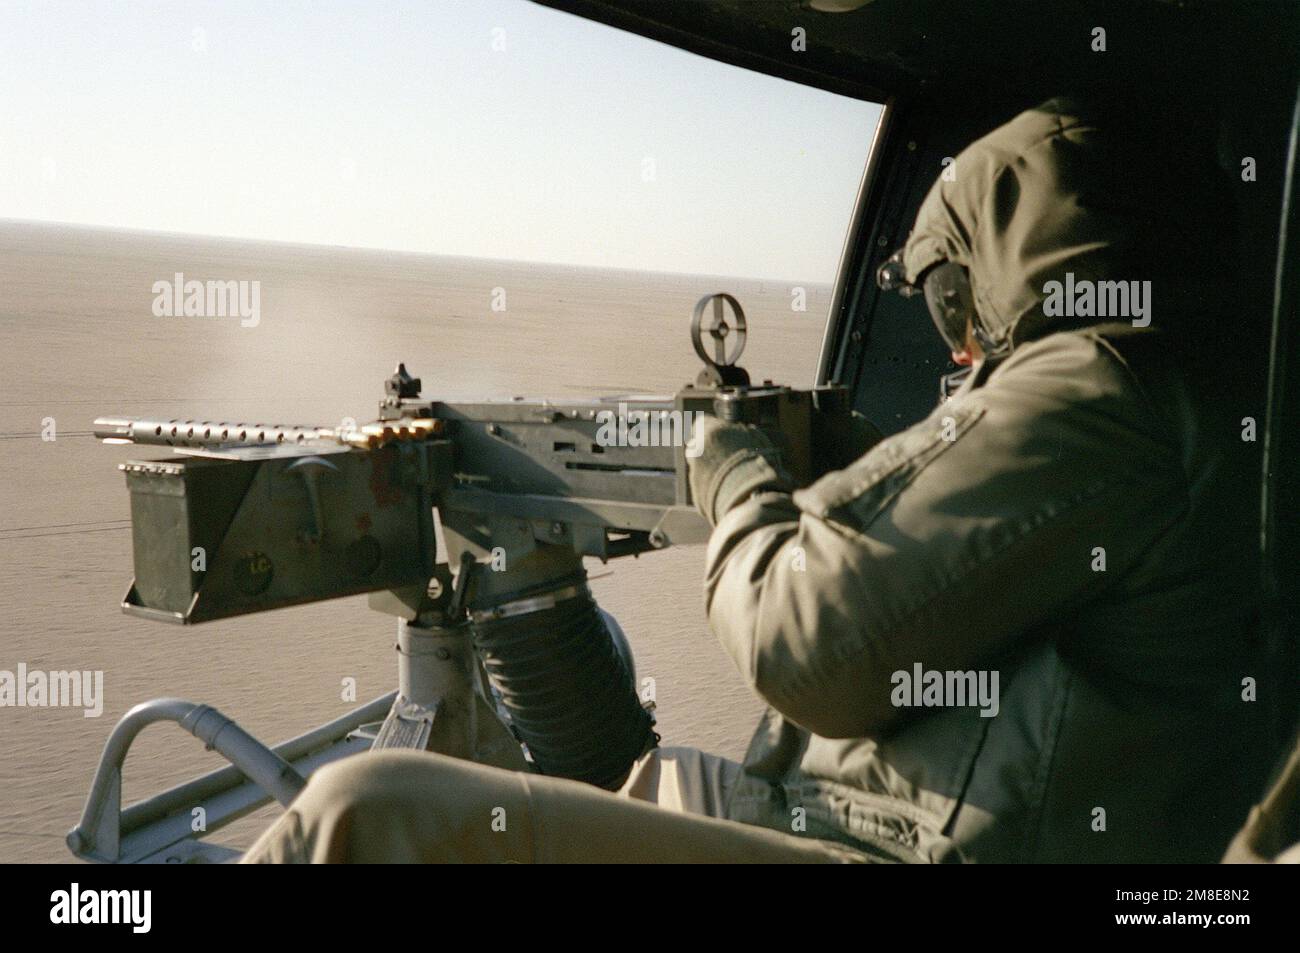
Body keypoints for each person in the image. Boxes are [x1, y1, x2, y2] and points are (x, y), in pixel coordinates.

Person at [242, 98, 1275, 864]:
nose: (957, 346)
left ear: (1001, 267)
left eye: (954, 306)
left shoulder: (1098, 384)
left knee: (359, 814)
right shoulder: (1205, 403)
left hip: (902, 850)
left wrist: (737, 478)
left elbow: (802, 638)